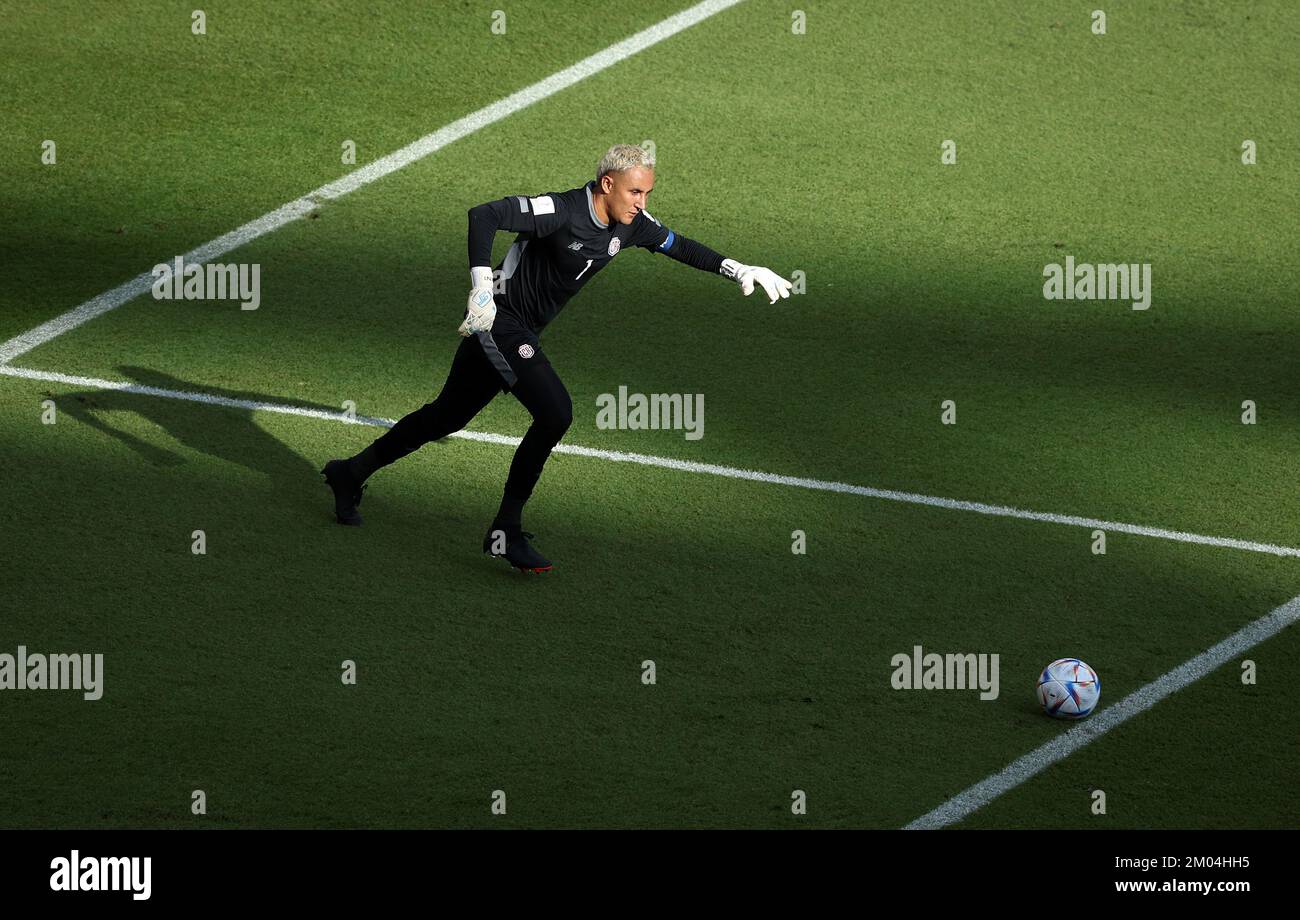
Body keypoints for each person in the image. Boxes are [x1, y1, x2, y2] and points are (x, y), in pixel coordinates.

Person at [322, 144, 792, 573]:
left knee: (444, 417)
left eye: (647, 193)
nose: (641, 203)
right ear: (607, 184)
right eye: (635, 192)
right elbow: (484, 214)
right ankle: (504, 531)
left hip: (520, 330)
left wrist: (739, 269)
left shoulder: (630, 227)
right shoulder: (560, 211)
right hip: (499, 323)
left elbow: (680, 246)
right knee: (555, 412)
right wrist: (482, 287)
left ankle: (350, 472)